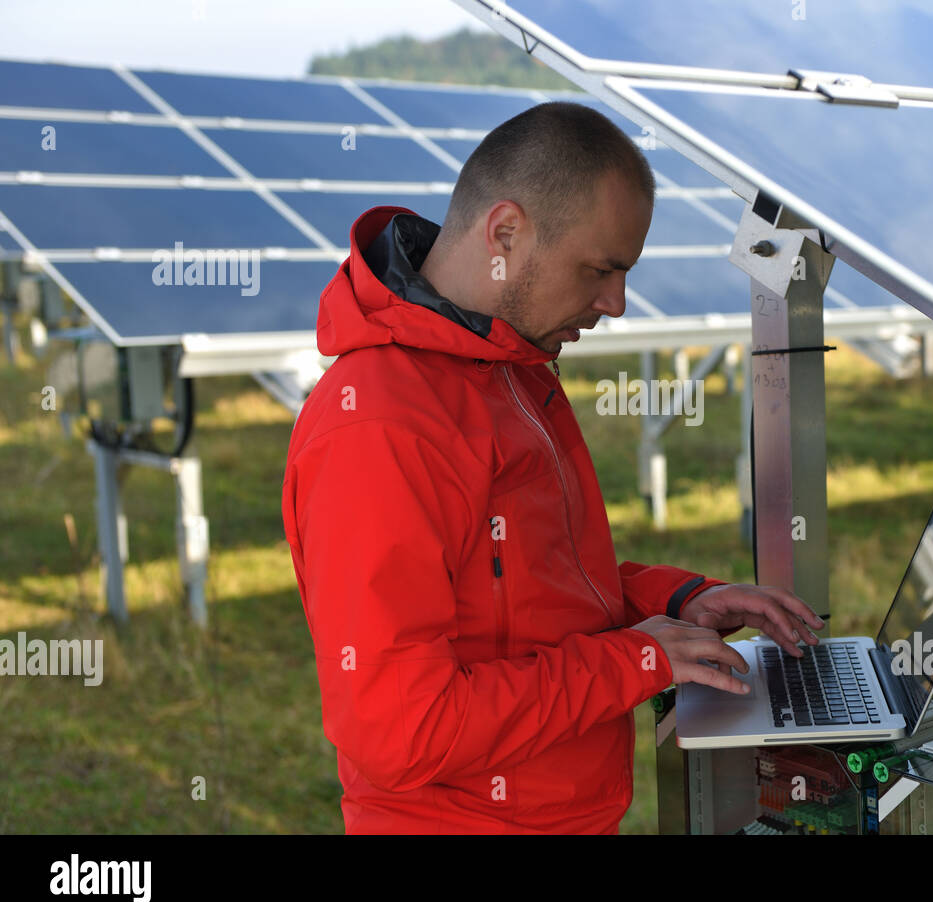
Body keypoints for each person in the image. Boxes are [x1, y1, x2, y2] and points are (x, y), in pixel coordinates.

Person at [281, 101, 823, 834]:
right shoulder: (379, 428)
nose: (617, 304)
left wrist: (683, 600)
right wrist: (635, 661)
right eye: (600, 270)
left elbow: (538, 587)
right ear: (505, 233)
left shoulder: (507, 364)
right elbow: (401, 732)